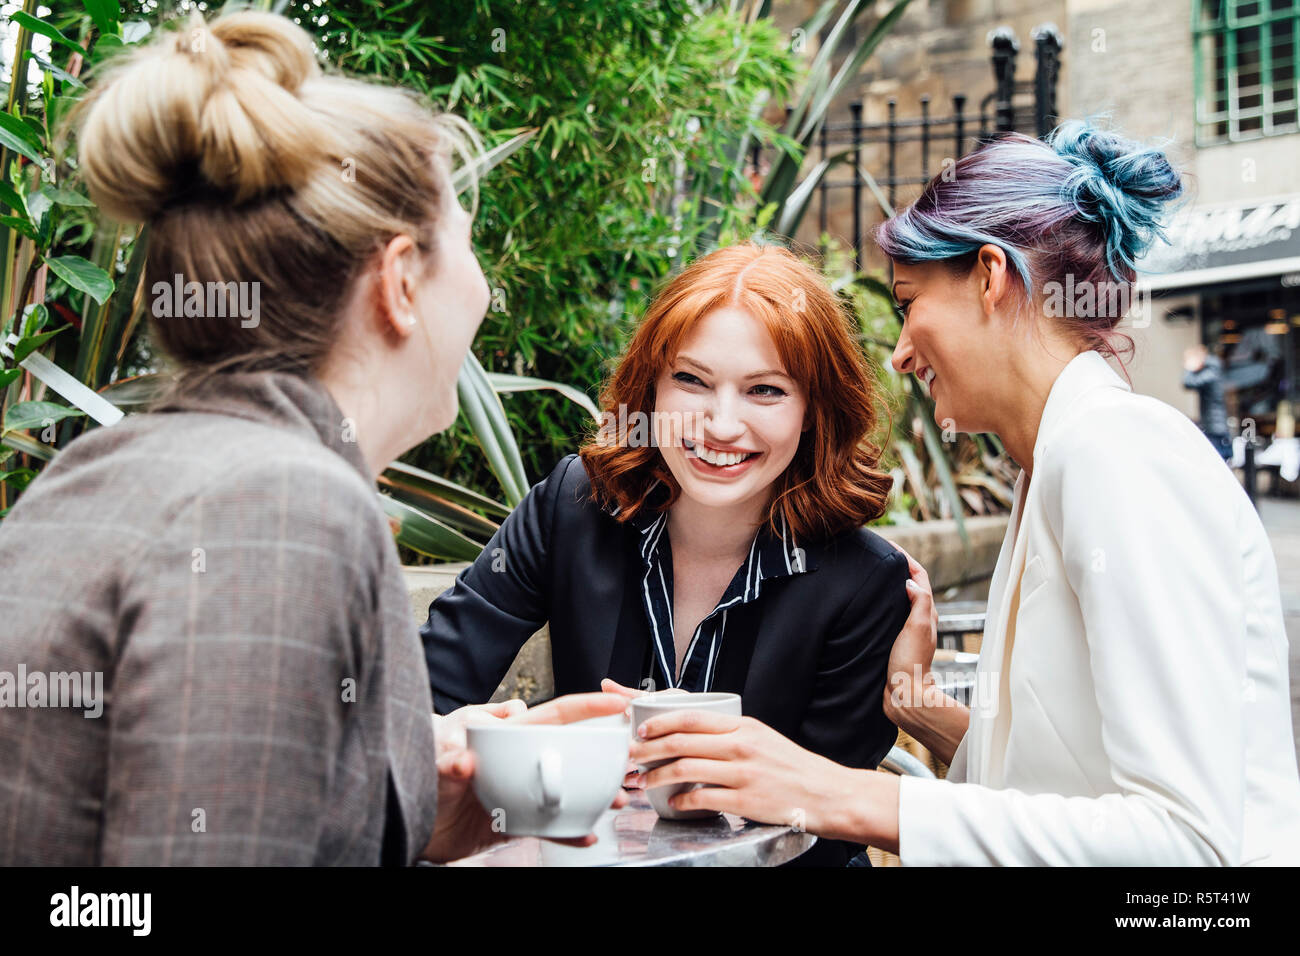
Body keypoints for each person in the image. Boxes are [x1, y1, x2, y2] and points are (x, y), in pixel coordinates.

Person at [0, 10, 626, 866]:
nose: (484, 292)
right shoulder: (284, 507)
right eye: (470, 249)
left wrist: (406, 791)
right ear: (400, 281)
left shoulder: (95, 472)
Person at [628, 121, 1300, 865]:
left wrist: (836, 792)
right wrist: (920, 708)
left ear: (990, 277)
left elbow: (1190, 849)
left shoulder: (1119, 453)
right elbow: (1063, 787)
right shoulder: (1054, 463)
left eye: (909, 301)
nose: (902, 350)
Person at [421, 242, 911, 866]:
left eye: (764, 391)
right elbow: (423, 690)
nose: (721, 425)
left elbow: (826, 836)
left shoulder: (865, 583)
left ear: (814, 410)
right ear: (651, 387)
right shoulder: (571, 507)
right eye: (691, 380)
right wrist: (495, 752)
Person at [1182, 344, 1231, 460]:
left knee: (1215, 461)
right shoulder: (1212, 369)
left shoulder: (1212, 371)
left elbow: (1188, 382)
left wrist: (1189, 367)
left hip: (1215, 427)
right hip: (1213, 425)